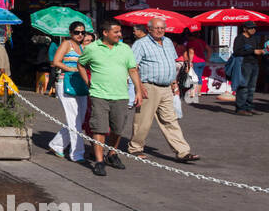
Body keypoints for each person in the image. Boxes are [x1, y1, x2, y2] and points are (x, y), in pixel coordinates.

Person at [76, 20, 144, 177]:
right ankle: (99, 161)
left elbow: (132, 70)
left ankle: (111, 154)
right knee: (99, 128)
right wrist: (88, 82)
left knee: (117, 128)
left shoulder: (125, 49)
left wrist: (138, 91)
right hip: (99, 95)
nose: (120, 35)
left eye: (120, 32)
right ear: (105, 33)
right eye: (116, 32)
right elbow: (81, 64)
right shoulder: (92, 48)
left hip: (120, 95)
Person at [128, 18, 199, 162]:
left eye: (162, 28)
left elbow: (171, 63)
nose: (160, 30)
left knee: (170, 120)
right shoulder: (141, 44)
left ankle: (182, 152)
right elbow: (132, 66)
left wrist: (174, 83)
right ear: (149, 29)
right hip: (149, 86)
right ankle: (135, 148)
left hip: (166, 87)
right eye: (157, 28)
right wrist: (139, 86)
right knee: (143, 120)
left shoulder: (167, 42)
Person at [48, 23, 89, 163]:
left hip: (81, 84)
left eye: (83, 32)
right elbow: (56, 61)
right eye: (77, 32)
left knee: (80, 118)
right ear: (71, 33)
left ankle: (57, 144)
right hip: (66, 82)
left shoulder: (83, 47)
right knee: (74, 118)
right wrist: (69, 69)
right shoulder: (66, 44)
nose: (80, 35)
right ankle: (77, 153)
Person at [230, 22, 266, 115]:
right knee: (244, 86)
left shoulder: (254, 38)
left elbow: (256, 50)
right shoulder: (239, 38)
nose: (253, 30)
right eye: (251, 28)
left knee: (252, 87)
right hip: (244, 64)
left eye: (254, 28)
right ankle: (240, 108)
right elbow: (236, 52)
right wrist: (253, 51)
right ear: (245, 29)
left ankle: (249, 107)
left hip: (254, 64)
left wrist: (261, 51)